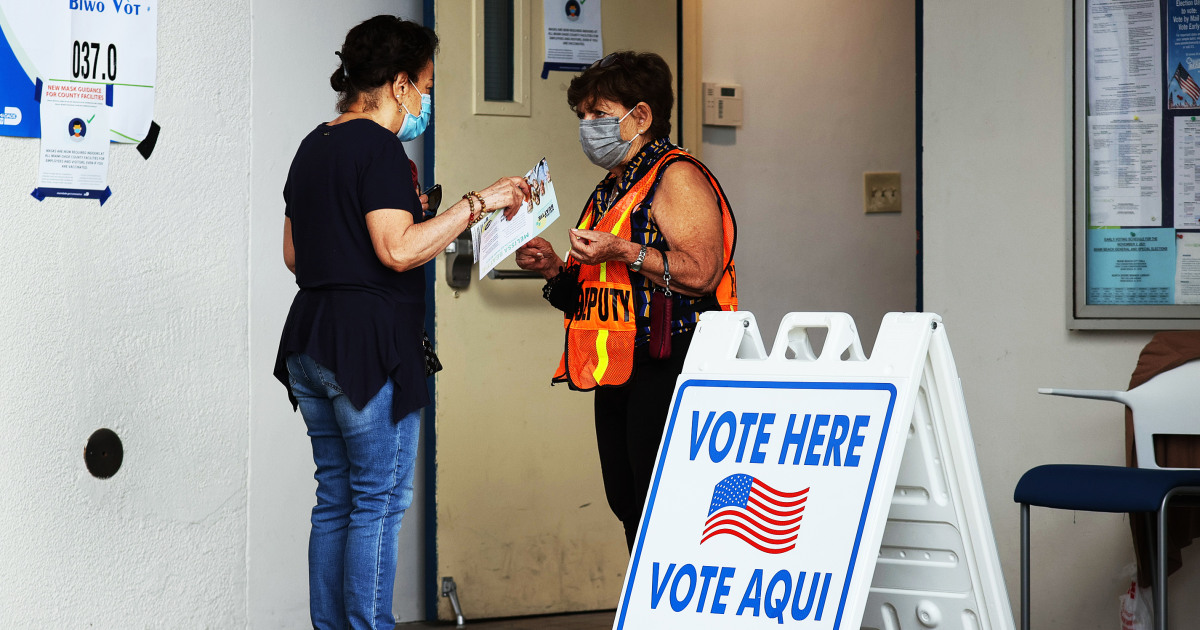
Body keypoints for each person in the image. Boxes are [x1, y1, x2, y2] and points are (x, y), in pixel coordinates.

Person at [274, 15, 528, 630]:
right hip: (368, 349)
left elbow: (294, 255)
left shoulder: (315, 144)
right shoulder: (381, 148)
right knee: (380, 502)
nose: (429, 99)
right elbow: (397, 249)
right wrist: (479, 204)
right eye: (429, 84)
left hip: (310, 338)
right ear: (400, 84)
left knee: (337, 496)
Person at [515, 51, 737, 551]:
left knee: (664, 506)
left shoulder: (675, 176)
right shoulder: (612, 186)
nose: (587, 127)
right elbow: (592, 292)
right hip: (616, 366)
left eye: (598, 114)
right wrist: (553, 267)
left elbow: (702, 272)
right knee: (628, 501)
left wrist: (624, 250)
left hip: (671, 362)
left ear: (640, 116)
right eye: (582, 117)